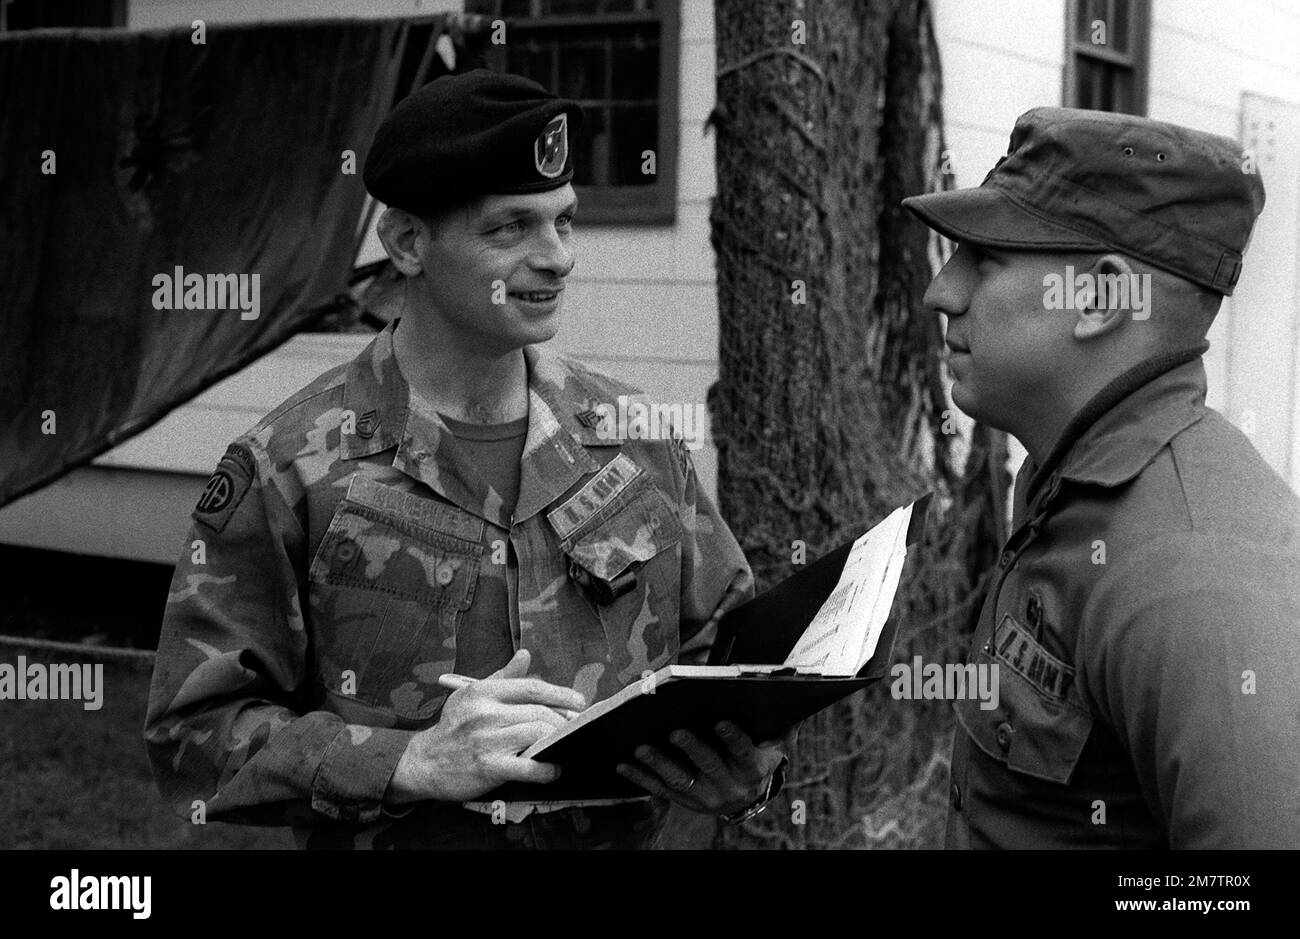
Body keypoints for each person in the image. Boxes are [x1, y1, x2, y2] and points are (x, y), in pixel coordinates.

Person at [145, 69, 785, 850]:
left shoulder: (633, 437)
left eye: (565, 222)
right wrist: (406, 759)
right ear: (408, 243)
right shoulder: (292, 466)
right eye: (511, 228)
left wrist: (751, 768)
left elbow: (733, 648)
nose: (557, 258)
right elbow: (192, 727)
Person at [902, 106, 1300, 848]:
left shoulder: (1193, 570)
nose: (941, 292)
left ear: (1099, 298)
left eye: (983, 258)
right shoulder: (1073, 480)